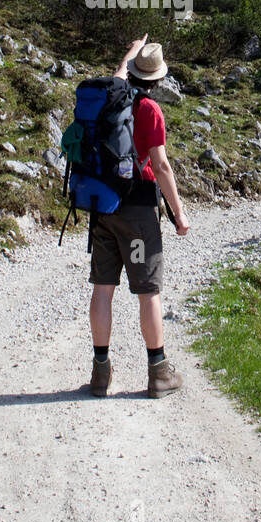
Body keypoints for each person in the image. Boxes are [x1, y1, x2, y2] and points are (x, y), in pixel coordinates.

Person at [88, 35, 190, 400]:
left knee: (103, 289)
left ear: (131, 72)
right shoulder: (150, 110)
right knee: (147, 291)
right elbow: (161, 166)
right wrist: (179, 214)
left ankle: (101, 374)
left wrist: (132, 49)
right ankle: (158, 373)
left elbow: (118, 72)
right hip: (137, 211)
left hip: (103, 208)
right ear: (159, 79)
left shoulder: (109, 94)